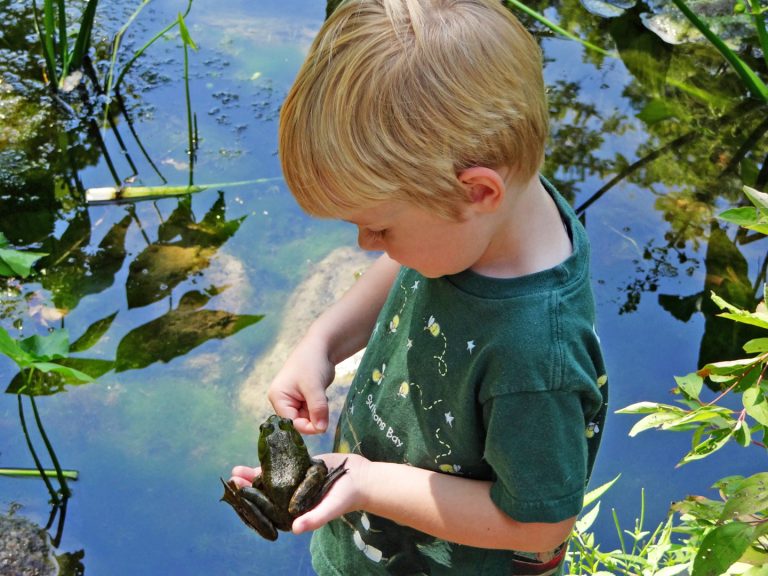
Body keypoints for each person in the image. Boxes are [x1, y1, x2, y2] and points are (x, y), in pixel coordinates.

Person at [230, 0, 609, 573]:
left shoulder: (535, 359)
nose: (366, 245)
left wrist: (369, 484)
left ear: (477, 192)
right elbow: (407, 266)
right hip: (370, 537)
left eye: (381, 227)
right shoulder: (487, 221)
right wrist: (323, 341)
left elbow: (540, 524)